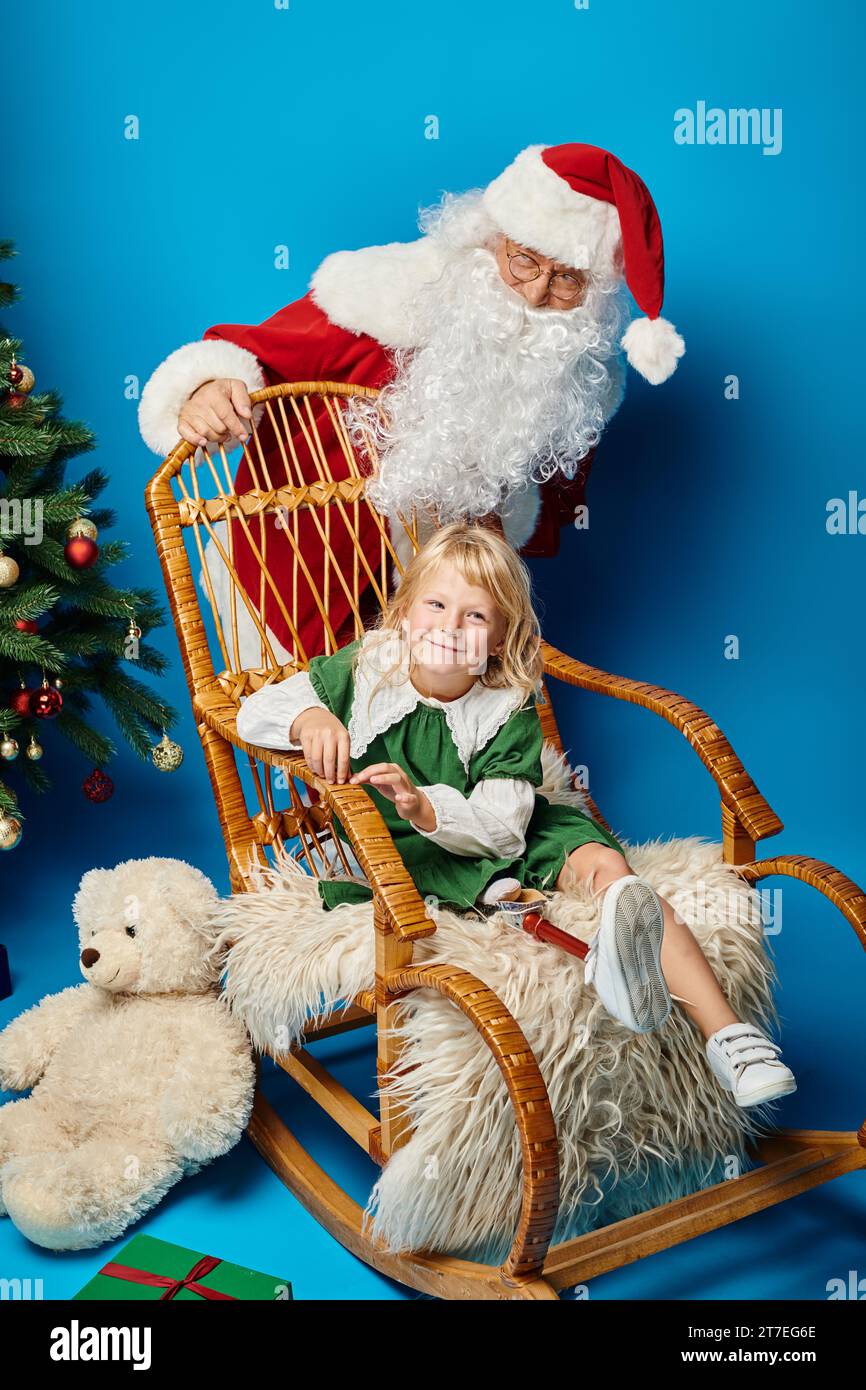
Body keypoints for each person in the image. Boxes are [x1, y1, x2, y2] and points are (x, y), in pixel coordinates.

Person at [234, 522, 797, 1110]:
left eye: (476, 617)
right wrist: (309, 719)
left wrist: (428, 803)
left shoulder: (504, 704)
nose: (450, 628)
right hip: (410, 851)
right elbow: (256, 709)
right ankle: (607, 961)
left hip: (507, 830)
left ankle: (729, 1036)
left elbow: (506, 828)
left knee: (610, 870)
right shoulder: (369, 667)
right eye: (436, 604)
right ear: (403, 613)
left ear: (501, 639)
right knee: (488, 886)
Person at [137, 143, 685, 663]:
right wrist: (207, 387)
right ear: (491, 238)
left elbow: (549, 503)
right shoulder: (389, 290)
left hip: (445, 630)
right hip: (303, 579)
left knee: (460, 742)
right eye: (524, 262)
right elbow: (259, 353)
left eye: (567, 278)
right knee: (331, 745)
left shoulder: (578, 368)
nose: (537, 293)